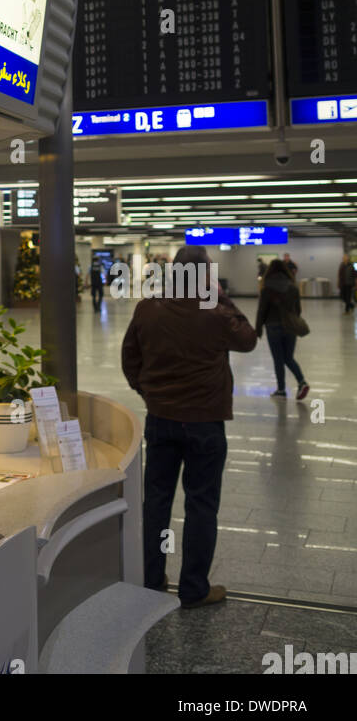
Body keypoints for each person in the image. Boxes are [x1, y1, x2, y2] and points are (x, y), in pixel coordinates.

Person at [121, 243, 257, 609]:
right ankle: (194, 588)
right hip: (205, 424)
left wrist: (149, 394)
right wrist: (222, 297)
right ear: (205, 275)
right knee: (201, 505)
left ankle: (151, 580)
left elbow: (129, 358)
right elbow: (248, 339)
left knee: (157, 503)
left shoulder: (148, 308)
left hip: (161, 420)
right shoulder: (214, 312)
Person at [256, 258, 309, 400]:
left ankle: (281, 389)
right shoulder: (293, 286)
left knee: (278, 359)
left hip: (273, 326)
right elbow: (298, 309)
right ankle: (301, 381)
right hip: (290, 326)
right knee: (288, 358)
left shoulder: (266, 287)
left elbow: (262, 310)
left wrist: (258, 328)